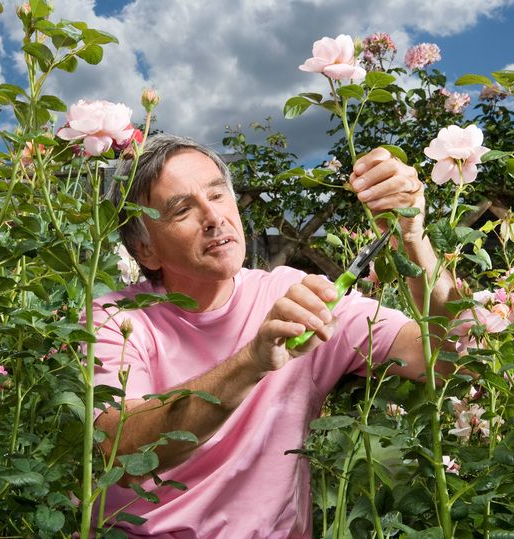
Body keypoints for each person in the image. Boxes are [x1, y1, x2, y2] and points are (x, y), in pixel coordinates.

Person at [91, 134, 457, 538]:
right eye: (182, 210)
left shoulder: (295, 296)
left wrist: (413, 238)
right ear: (145, 251)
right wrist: (253, 361)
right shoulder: (117, 318)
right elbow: (118, 447)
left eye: (218, 195)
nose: (214, 217)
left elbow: (446, 359)